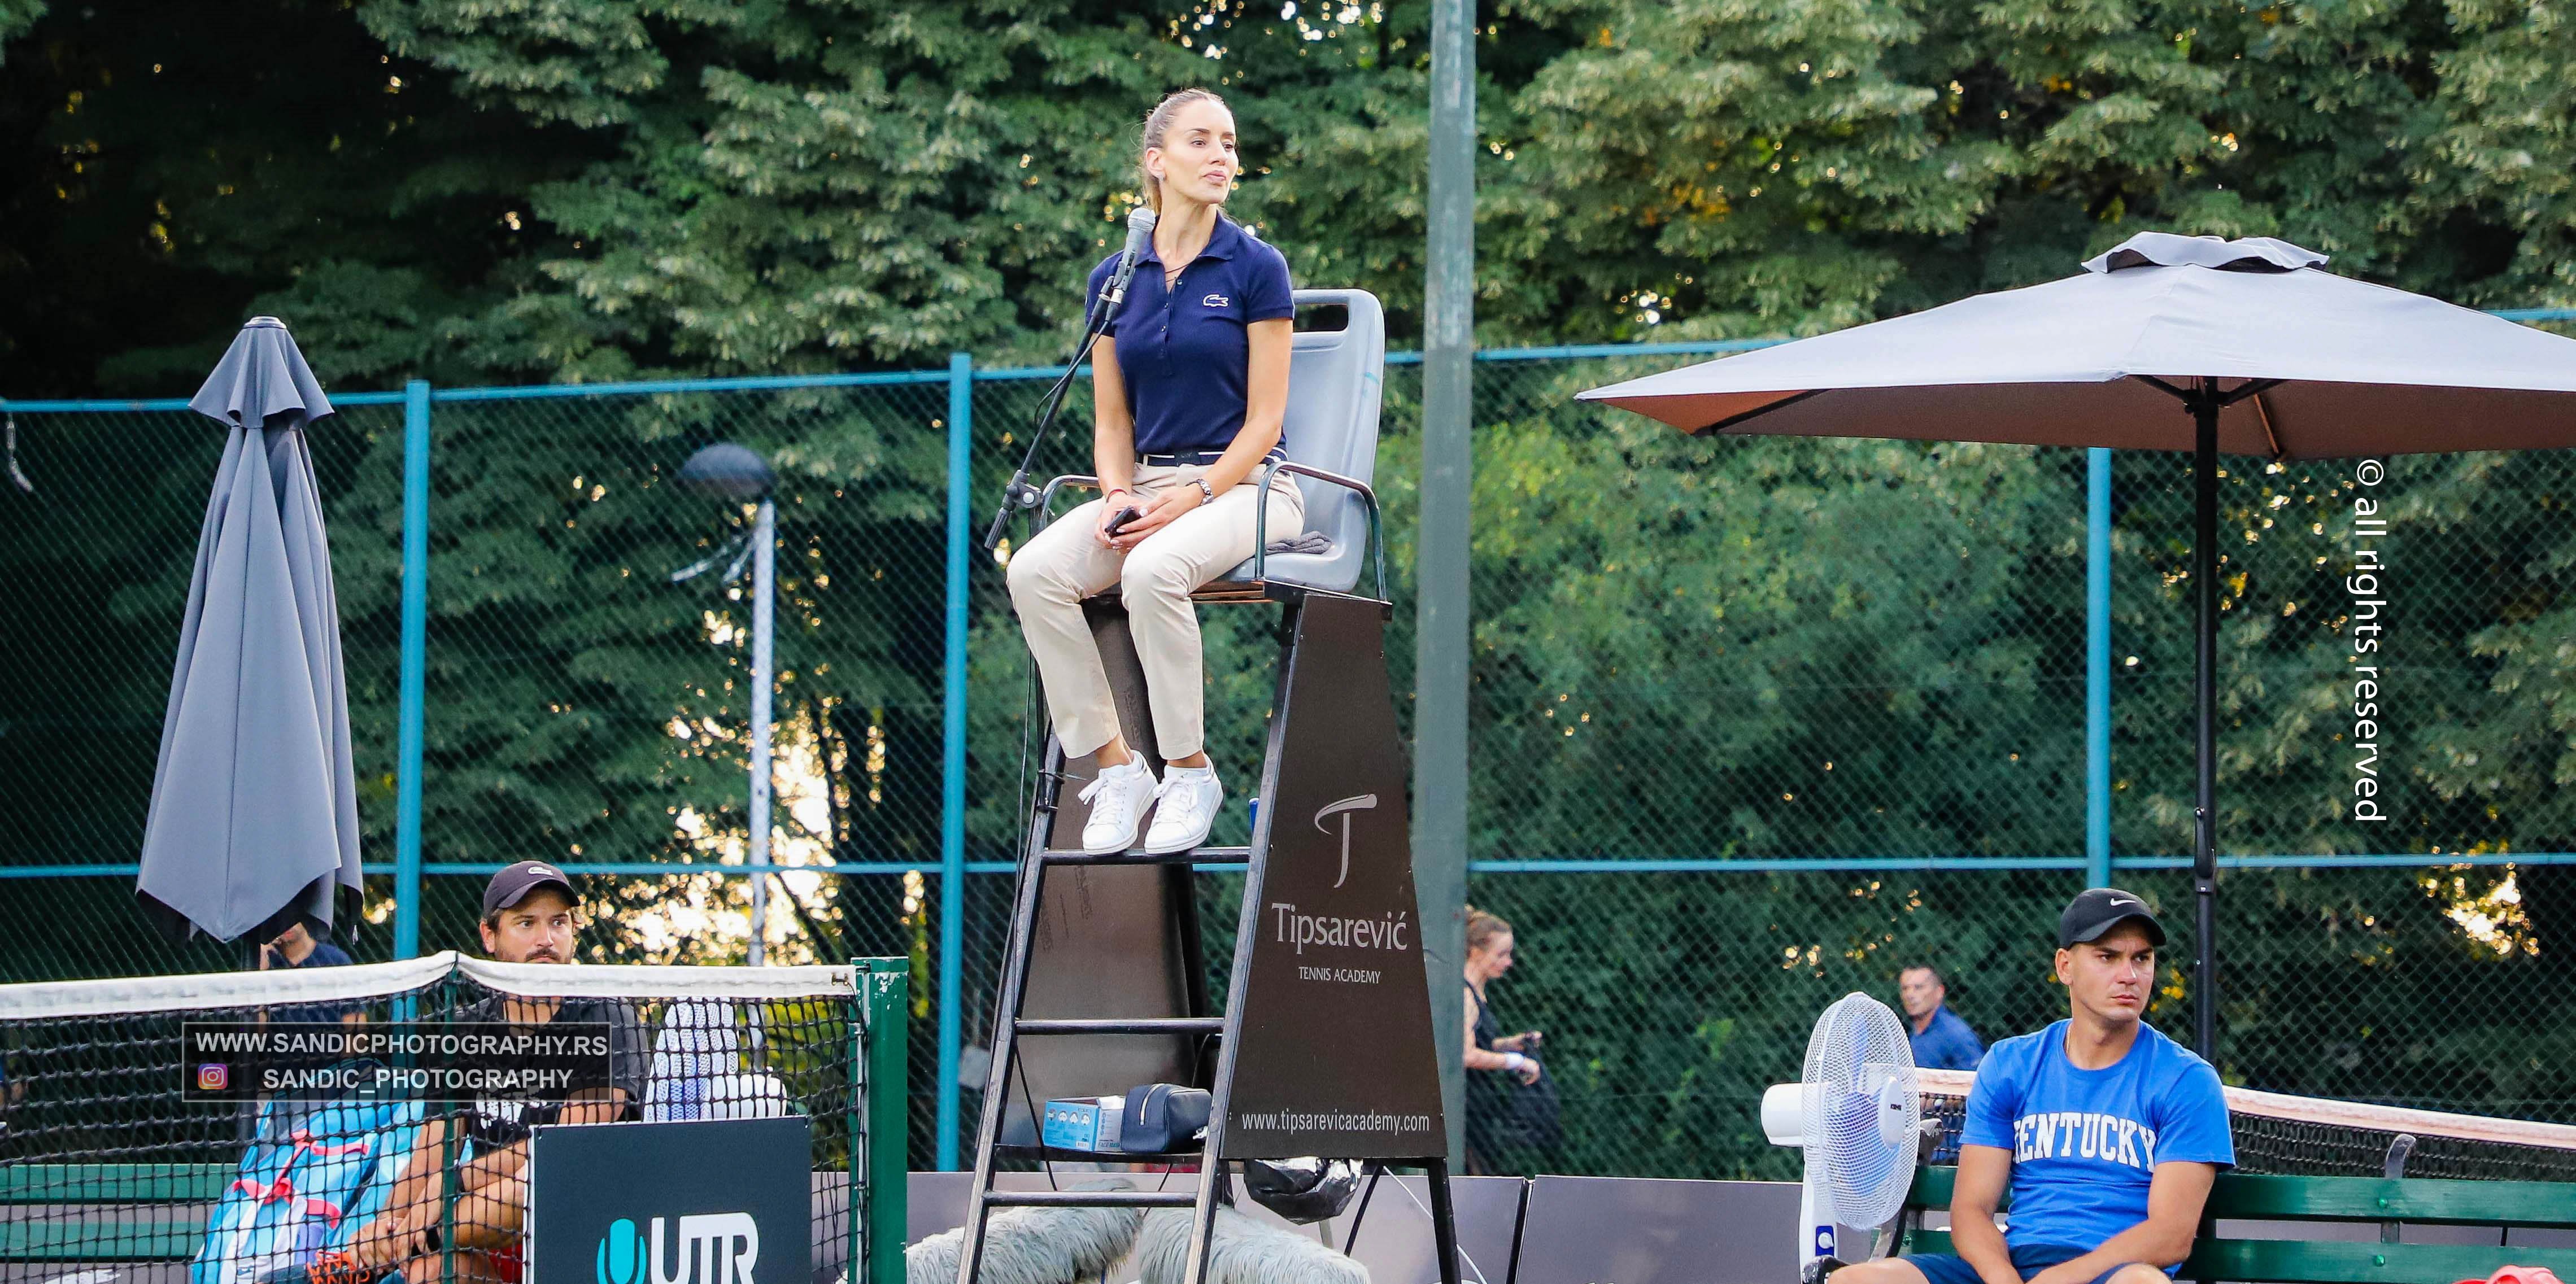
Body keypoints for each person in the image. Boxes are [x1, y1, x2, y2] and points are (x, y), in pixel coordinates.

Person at [1006, 86, 1304, 858]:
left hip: (1250, 487)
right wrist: (1115, 494)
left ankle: (1189, 771)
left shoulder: (1256, 267)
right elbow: (1112, 423)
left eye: (1230, 145)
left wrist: (1191, 496)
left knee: (1152, 570)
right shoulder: (1115, 278)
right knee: (1034, 570)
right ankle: (1115, 766)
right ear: (1156, 162)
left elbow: (1266, 423)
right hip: (1143, 484)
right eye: (1202, 141)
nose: (1222, 158)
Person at [1830, 889, 2234, 1284]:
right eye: (2107, 957)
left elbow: (2170, 1235)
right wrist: (2002, 1277)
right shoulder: (2011, 1065)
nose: (2128, 976)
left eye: (2141, 959)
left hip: (2114, 1272)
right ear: (2065, 967)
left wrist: (2063, 1279)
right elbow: (1971, 1210)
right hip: (2013, 1267)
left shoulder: (2186, 1080)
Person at [298, 862, 644, 1284]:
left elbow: (563, 1150)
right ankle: (373, 1255)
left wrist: (452, 1183)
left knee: (533, 1182)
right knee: (428, 1274)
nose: (546, 939)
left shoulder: (606, 1015)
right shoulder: (461, 1030)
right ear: (489, 936)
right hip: (487, 1235)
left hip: (583, 1229)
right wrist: (382, 1224)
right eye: (526, 923)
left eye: (559, 923)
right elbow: (432, 1152)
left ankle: (381, 1255)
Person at [1462, 906, 1555, 1174]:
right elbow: (1465, 1054)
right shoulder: (1465, 996)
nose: (1509, 962)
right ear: (1476, 952)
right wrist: (1517, 1062)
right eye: (1501, 954)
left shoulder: (1477, 992)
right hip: (1466, 1111)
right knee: (1477, 1182)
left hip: (1480, 1107)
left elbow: (1479, 1043)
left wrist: (1512, 1043)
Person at [264, 920, 365, 1026]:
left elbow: (356, 1028)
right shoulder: (266, 960)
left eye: (292, 915)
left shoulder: (336, 961)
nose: (287, 923)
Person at [1900, 964, 1985, 1070]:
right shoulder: (1912, 1032)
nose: (1910, 995)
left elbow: (1974, 1081)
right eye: (1905, 988)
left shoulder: (1956, 1034)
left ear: (1939, 992)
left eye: (1919, 987)